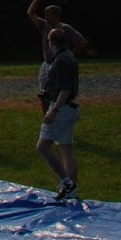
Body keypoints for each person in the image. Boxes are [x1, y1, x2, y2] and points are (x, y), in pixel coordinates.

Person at [36, 26, 80, 199]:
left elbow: (65, 89)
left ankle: (67, 183)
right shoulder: (68, 56)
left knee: (43, 146)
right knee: (66, 150)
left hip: (61, 108)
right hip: (69, 107)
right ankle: (71, 188)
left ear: (51, 42)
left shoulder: (61, 60)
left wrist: (53, 110)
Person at [27, 0, 87, 114]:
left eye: (48, 14)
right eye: (45, 14)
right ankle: (46, 116)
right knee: (43, 93)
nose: (46, 17)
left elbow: (81, 41)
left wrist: (70, 55)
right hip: (46, 64)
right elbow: (30, 13)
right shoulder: (44, 26)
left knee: (59, 91)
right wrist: (36, 0)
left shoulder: (65, 28)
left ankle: (58, 112)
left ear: (57, 15)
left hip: (59, 64)